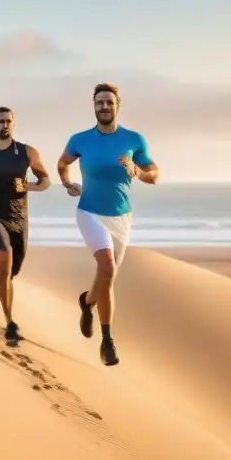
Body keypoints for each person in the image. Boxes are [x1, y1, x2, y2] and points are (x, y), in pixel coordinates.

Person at [56, 82, 160, 366]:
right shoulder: (80, 140)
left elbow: (154, 174)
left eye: (109, 102)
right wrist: (67, 183)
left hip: (121, 218)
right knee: (108, 267)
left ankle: (87, 302)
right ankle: (107, 340)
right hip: (89, 212)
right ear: (94, 106)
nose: (104, 106)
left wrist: (137, 171)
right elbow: (62, 163)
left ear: (118, 106)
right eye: (99, 102)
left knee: (106, 277)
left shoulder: (134, 140)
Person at [0, 107, 51, 346]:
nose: (4, 125)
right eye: (0, 121)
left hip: (19, 220)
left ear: (13, 124)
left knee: (11, 272)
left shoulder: (27, 152)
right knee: (5, 255)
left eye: (8, 121)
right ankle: (10, 324)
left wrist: (28, 187)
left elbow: (45, 181)